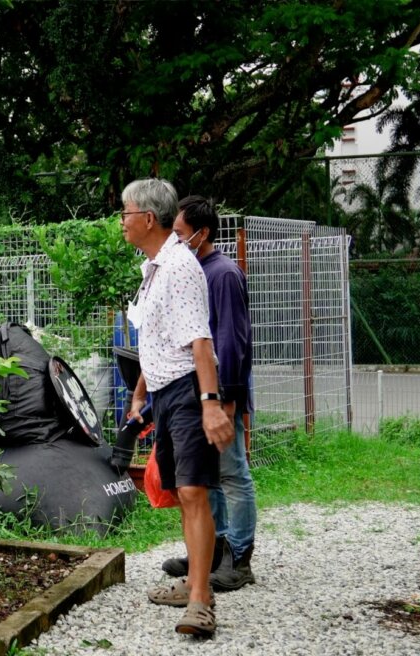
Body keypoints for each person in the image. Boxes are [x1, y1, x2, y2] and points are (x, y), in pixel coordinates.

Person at [120, 179, 234, 638]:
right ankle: (195, 584)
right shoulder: (155, 266)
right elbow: (156, 336)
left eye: (125, 214)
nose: (122, 222)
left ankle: (201, 601)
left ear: (148, 218)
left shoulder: (179, 267)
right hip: (166, 392)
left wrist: (210, 405)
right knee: (180, 493)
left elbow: (199, 341)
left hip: (188, 392)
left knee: (192, 492)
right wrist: (142, 393)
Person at [159, 195, 258, 591]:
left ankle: (240, 555)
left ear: (203, 233)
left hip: (220, 393)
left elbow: (232, 340)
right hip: (197, 393)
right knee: (207, 476)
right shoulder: (190, 271)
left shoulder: (223, 274)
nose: (176, 241)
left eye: (181, 234)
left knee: (233, 472)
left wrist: (228, 396)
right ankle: (210, 553)